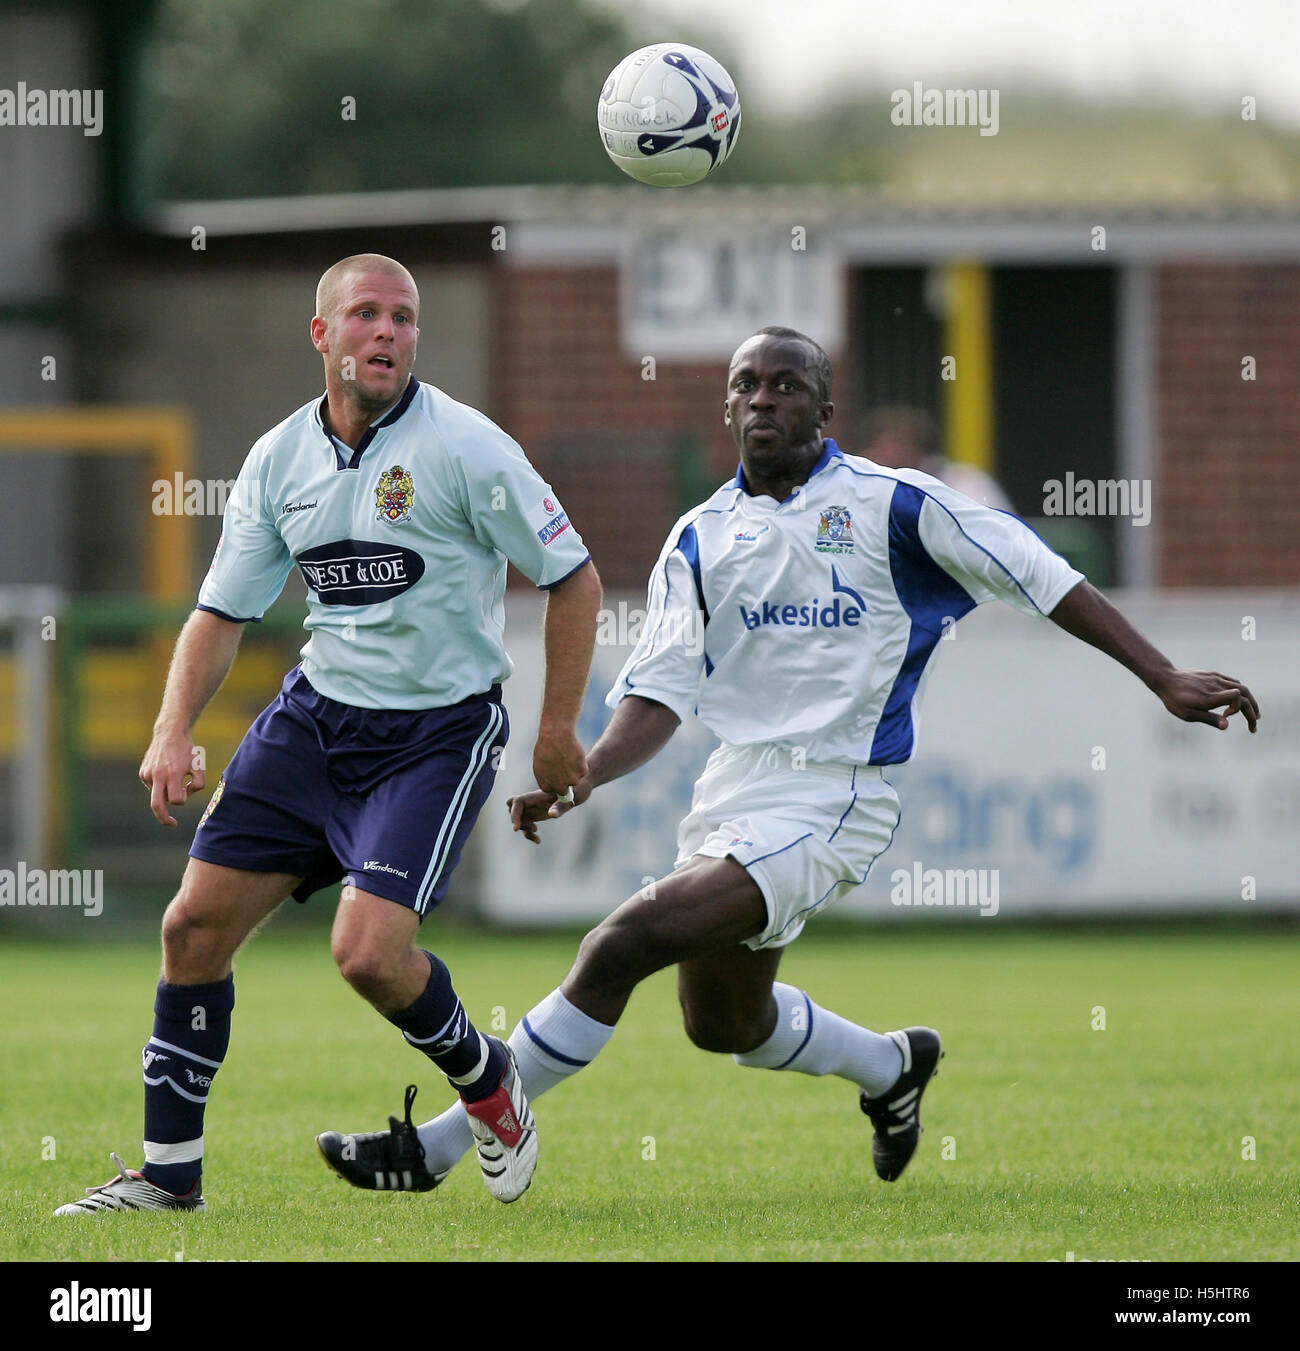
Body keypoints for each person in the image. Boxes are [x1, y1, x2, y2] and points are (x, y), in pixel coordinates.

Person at [318, 325, 1258, 1194]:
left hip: (839, 793)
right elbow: (660, 694)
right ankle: (893, 1066)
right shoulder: (700, 535)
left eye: (786, 385)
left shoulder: (900, 505)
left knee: (619, 944)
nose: (764, 400)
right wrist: (588, 774)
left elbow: (1046, 577)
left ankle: (442, 1144)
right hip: (736, 790)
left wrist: (1164, 675)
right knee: (722, 1024)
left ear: (823, 408)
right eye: (746, 385)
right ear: (727, 407)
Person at [54, 254, 601, 1214]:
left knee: (367, 954)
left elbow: (574, 576)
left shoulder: (467, 448)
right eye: (365, 315)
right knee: (191, 929)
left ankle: (489, 1084)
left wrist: (557, 728)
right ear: (323, 335)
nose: (387, 332)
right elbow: (221, 611)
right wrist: (172, 724)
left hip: (436, 731)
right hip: (313, 723)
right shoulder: (278, 458)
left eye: (403, 318)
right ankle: (168, 1179)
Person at [861, 404, 1016, 512]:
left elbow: (997, 538)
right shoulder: (865, 486)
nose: (884, 454)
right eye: (878, 446)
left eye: (896, 443)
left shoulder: (963, 481)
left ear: (917, 449)